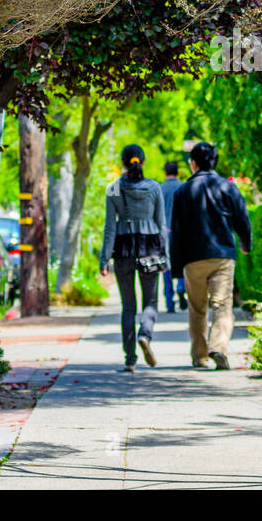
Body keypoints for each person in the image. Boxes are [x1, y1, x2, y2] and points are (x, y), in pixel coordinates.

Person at [168, 141, 251, 370]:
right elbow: (242, 218)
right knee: (222, 304)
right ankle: (219, 347)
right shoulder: (227, 187)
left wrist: (176, 268)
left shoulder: (182, 191)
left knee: (197, 308)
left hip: (193, 257)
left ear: (193, 164)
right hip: (222, 255)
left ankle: (200, 356)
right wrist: (246, 243)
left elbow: (177, 232)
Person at [99, 144, 168, 372]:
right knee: (150, 302)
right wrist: (165, 255)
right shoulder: (155, 188)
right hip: (150, 248)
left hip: (124, 249)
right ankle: (145, 335)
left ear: (123, 163)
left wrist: (104, 260)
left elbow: (110, 228)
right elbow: (160, 225)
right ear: (143, 162)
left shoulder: (114, 189)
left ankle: (130, 359)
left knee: (128, 306)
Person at [159, 161, 188, 314]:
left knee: (166, 266)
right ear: (177, 172)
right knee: (182, 263)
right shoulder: (183, 187)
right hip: (181, 232)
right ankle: (181, 287)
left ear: (165, 172)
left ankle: (170, 303)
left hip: (164, 232)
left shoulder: (160, 189)